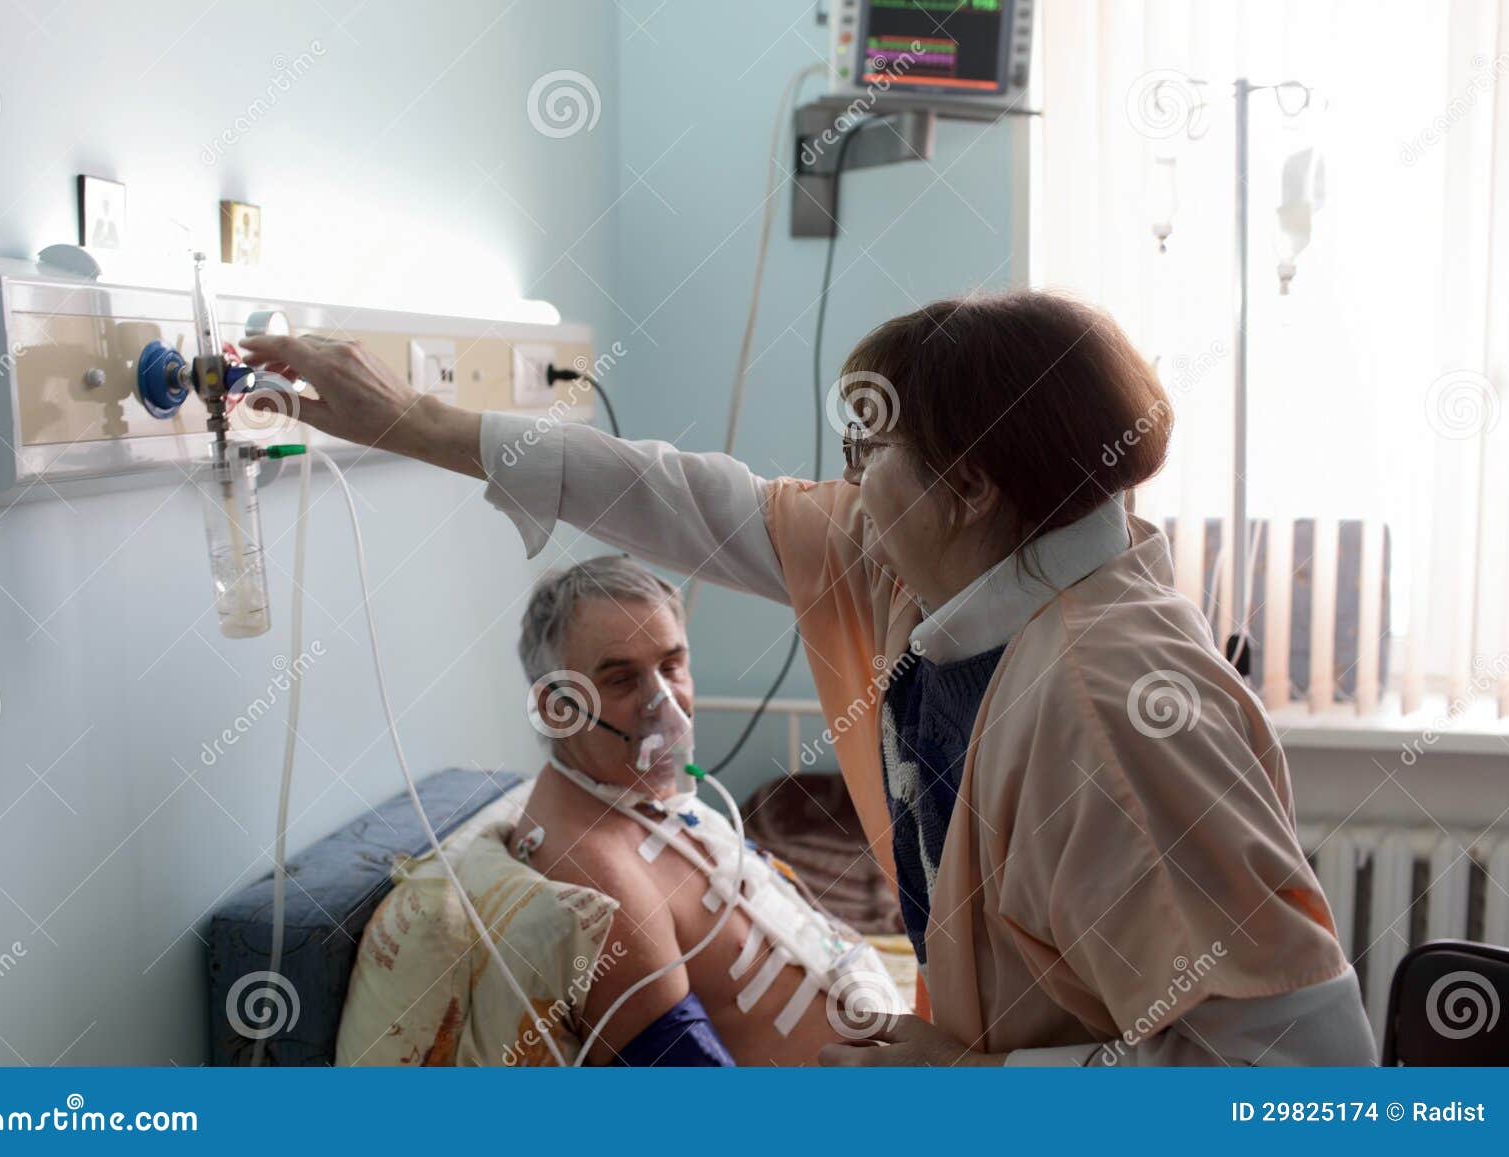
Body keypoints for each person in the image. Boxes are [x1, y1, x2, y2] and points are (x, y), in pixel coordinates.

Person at [241, 290, 1377, 1066]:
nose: (845, 483)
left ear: (971, 482)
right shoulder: (937, 568)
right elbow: (680, 495)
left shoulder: (1111, 705)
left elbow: (1303, 1080)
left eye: (869, 452)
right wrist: (411, 419)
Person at [504, 554, 904, 1066]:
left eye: (672, 665)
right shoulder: (604, 883)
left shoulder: (636, 795)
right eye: (621, 680)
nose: (665, 704)